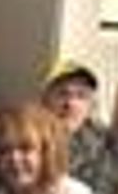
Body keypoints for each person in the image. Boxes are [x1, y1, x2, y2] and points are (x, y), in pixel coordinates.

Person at [41, 57, 106, 185]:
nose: (70, 104)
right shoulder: (29, 137)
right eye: (62, 94)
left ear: (91, 106)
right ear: (45, 100)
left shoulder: (105, 143)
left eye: (81, 96)